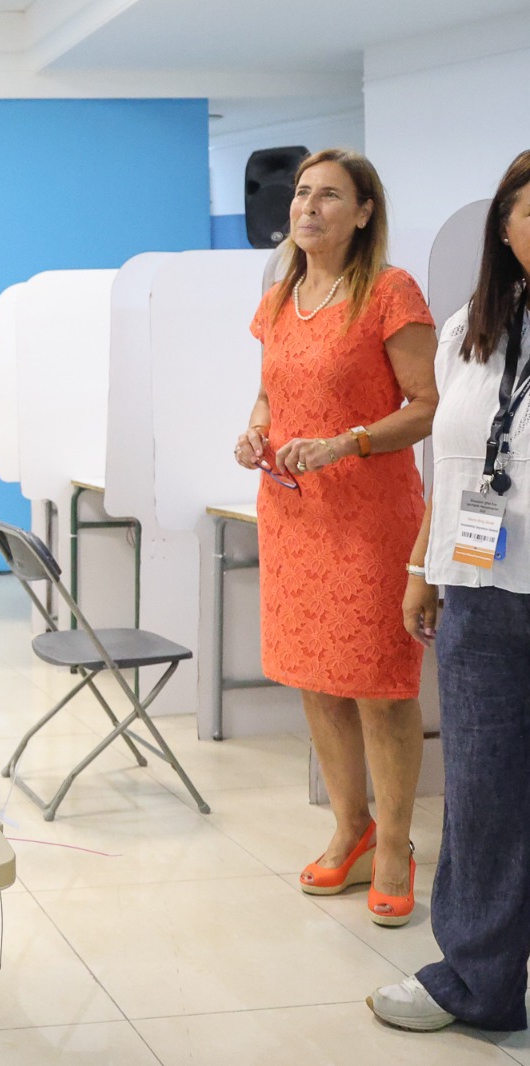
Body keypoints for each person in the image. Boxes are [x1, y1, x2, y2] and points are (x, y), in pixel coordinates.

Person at [233, 149, 438, 927]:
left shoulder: (390, 293)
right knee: (317, 680)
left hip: (370, 520)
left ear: (362, 213)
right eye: (301, 194)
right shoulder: (281, 295)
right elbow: (268, 393)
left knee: (382, 687)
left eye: (328, 196)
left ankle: (394, 845)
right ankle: (349, 829)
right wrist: (256, 432)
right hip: (293, 513)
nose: (307, 207)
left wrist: (347, 442)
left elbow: (426, 407)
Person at [368, 150, 530, 1033]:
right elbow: (456, 458)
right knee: (482, 796)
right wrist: (424, 565)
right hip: (481, 591)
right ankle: (478, 981)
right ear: (504, 227)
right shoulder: (476, 323)